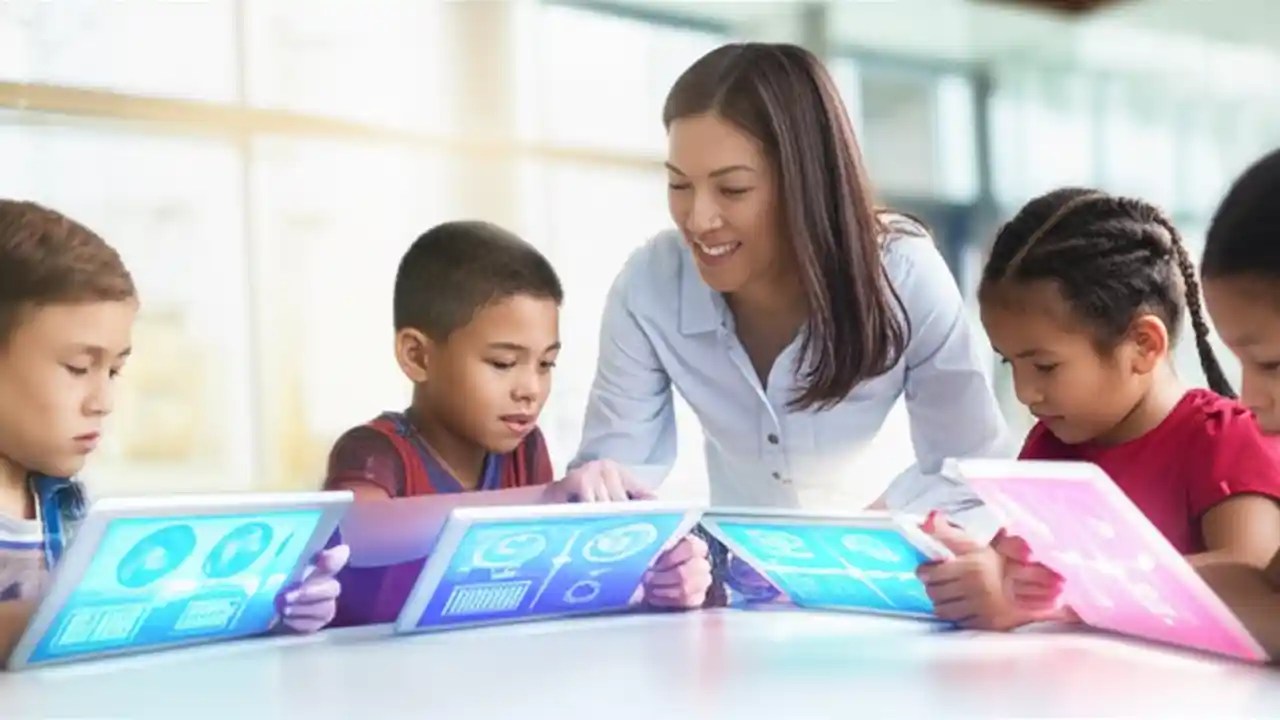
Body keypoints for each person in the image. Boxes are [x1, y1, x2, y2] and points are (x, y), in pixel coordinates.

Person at [563, 42, 1010, 601]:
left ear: (806, 181)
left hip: (887, 586)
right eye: (679, 184)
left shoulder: (901, 272)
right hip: (733, 600)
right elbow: (617, 474)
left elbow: (973, 468)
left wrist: (847, 547)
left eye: (733, 189)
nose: (698, 218)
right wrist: (650, 552)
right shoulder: (650, 283)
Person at [0, 200, 347, 661]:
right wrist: (73, 614)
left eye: (114, 371)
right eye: (78, 367)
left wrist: (266, 609)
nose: (102, 402)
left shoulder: (64, 501)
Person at [920, 187, 1280, 631]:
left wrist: (1065, 592)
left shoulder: (1225, 437)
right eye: (1008, 362)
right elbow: (1018, 573)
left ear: (1143, 346)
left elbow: (1252, 576)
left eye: (1045, 366)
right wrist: (976, 568)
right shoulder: (1050, 443)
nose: (1024, 393)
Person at [324, 221, 710, 624]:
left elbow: (546, 582)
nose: (531, 389)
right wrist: (544, 501)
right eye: (503, 363)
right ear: (418, 356)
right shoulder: (375, 449)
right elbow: (356, 532)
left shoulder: (524, 450)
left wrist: (651, 580)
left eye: (545, 364)